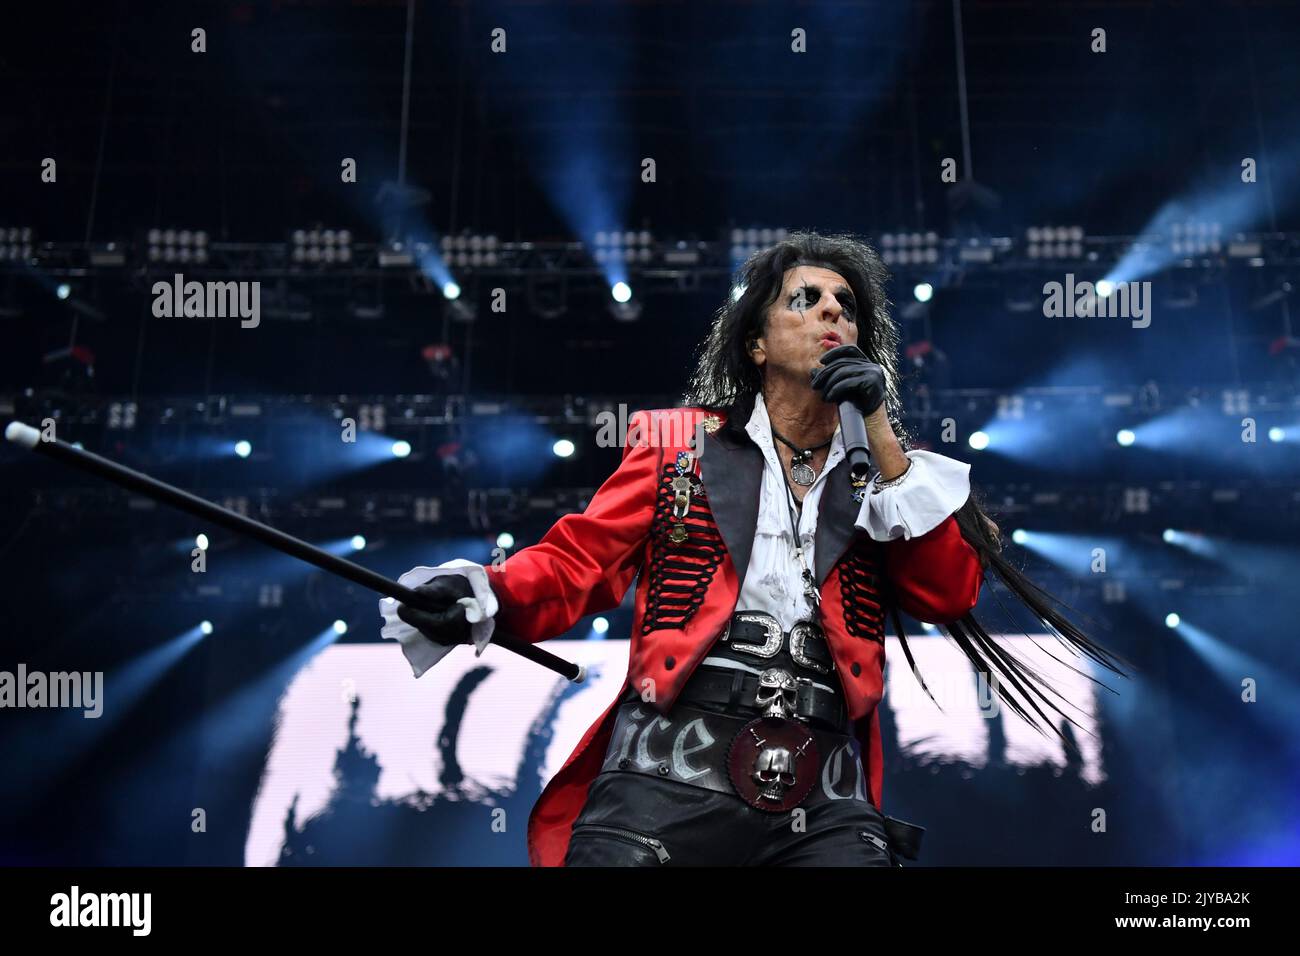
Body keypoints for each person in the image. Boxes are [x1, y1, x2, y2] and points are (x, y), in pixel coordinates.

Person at [380, 231, 1130, 866]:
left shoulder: (890, 477)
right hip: (667, 773)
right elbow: (580, 560)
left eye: (847, 305)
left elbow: (947, 593)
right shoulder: (679, 447)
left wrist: (881, 435)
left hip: (823, 789)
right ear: (757, 342)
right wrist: (487, 591)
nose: (834, 310)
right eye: (806, 299)